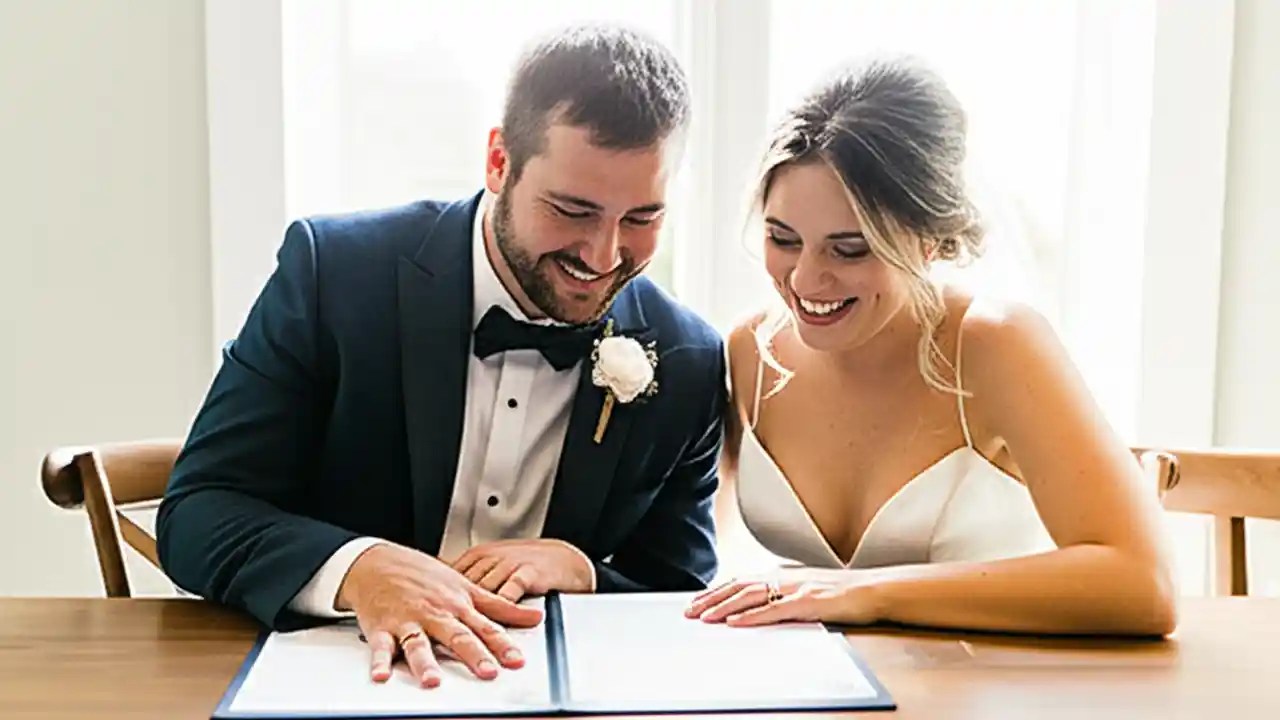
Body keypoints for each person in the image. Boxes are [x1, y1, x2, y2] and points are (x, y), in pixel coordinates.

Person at [157, 24, 727, 689]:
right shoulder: (333, 275)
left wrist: (586, 573)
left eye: (642, 218)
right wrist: (358, 568)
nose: (603, 257)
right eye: (573, 210)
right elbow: (199, 512)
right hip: (333, 682)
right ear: (498, 161)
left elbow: (680, 591)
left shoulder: (686, 356)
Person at [684, 55, 1178, 637]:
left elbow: (1147, 586)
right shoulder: (751, 349)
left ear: (930, 241)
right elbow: (682, 550)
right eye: (782, 238)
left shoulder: (996, 344)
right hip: (823, 691)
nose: (803, 280)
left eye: (850, 249)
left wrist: (866, 592)